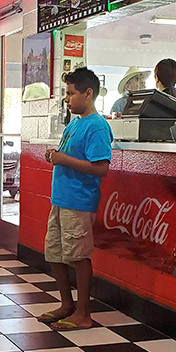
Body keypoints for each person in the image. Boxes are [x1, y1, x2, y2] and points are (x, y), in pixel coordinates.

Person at [40, 67, 113, 330]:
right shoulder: (75, 123)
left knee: (78, 256)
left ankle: (83, 312)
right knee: (54, 254)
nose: (67, 99)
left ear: (88, 93)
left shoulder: (97, 126)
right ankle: (66, 304)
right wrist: (57, 156)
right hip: (60, 199)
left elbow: (101, 167)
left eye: (71, 93)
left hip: (79, 202)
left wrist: (63, 159)